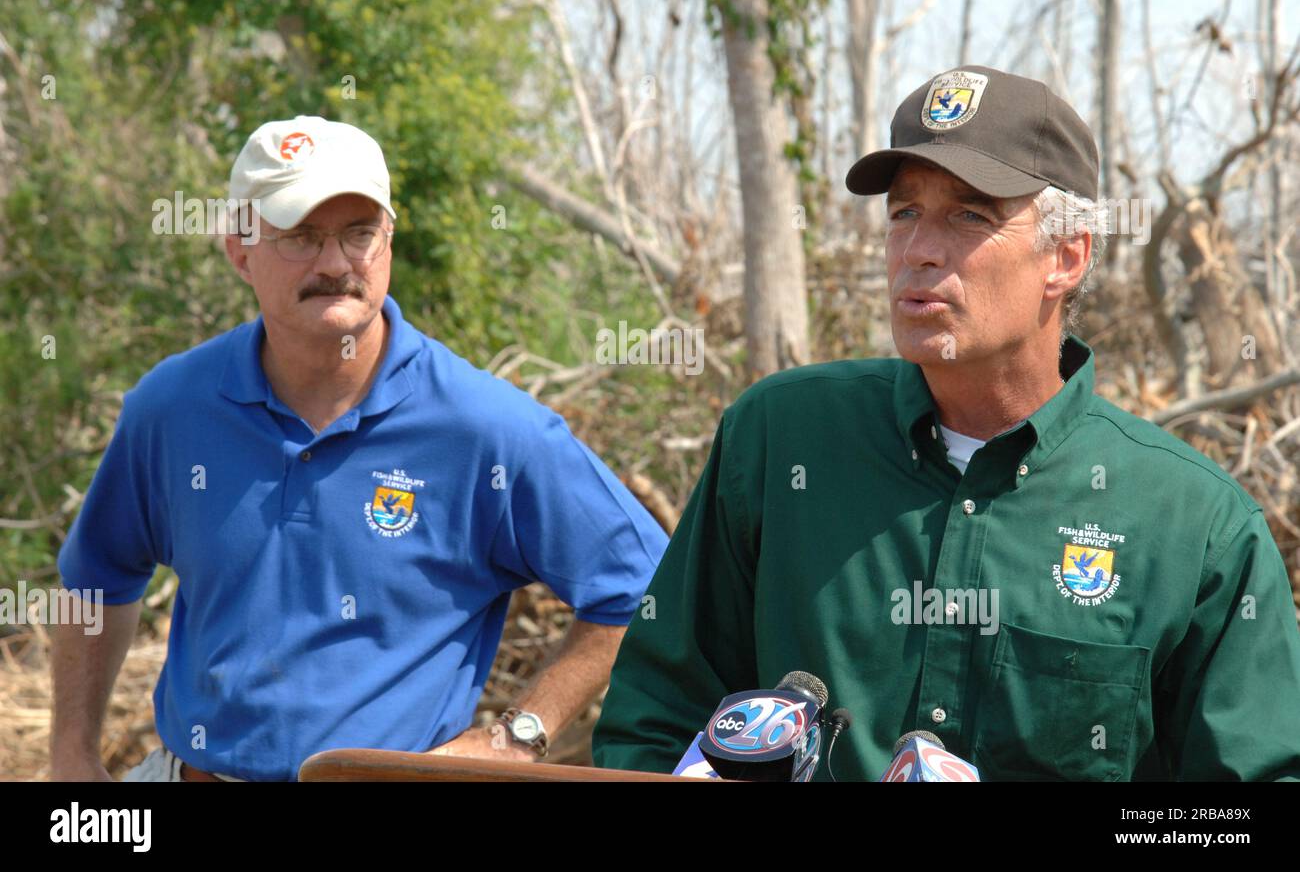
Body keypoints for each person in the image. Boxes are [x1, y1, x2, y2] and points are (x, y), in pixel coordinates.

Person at [592, 66, 1300, 781]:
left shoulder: (1196, 525)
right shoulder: (779, 440)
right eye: (904, 213)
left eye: (969, 215)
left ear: (1067, 255)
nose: (918, 250)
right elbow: (652, 722)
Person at [51, 116, 667, 781]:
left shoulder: (485, 428)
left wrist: (520, 735)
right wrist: (71, 756)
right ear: (240, 250)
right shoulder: (171, 409)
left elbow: (646, 586)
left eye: (358, 233)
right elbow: (95, 578)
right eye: (302, 236)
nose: (336, 262)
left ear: (390, 241)